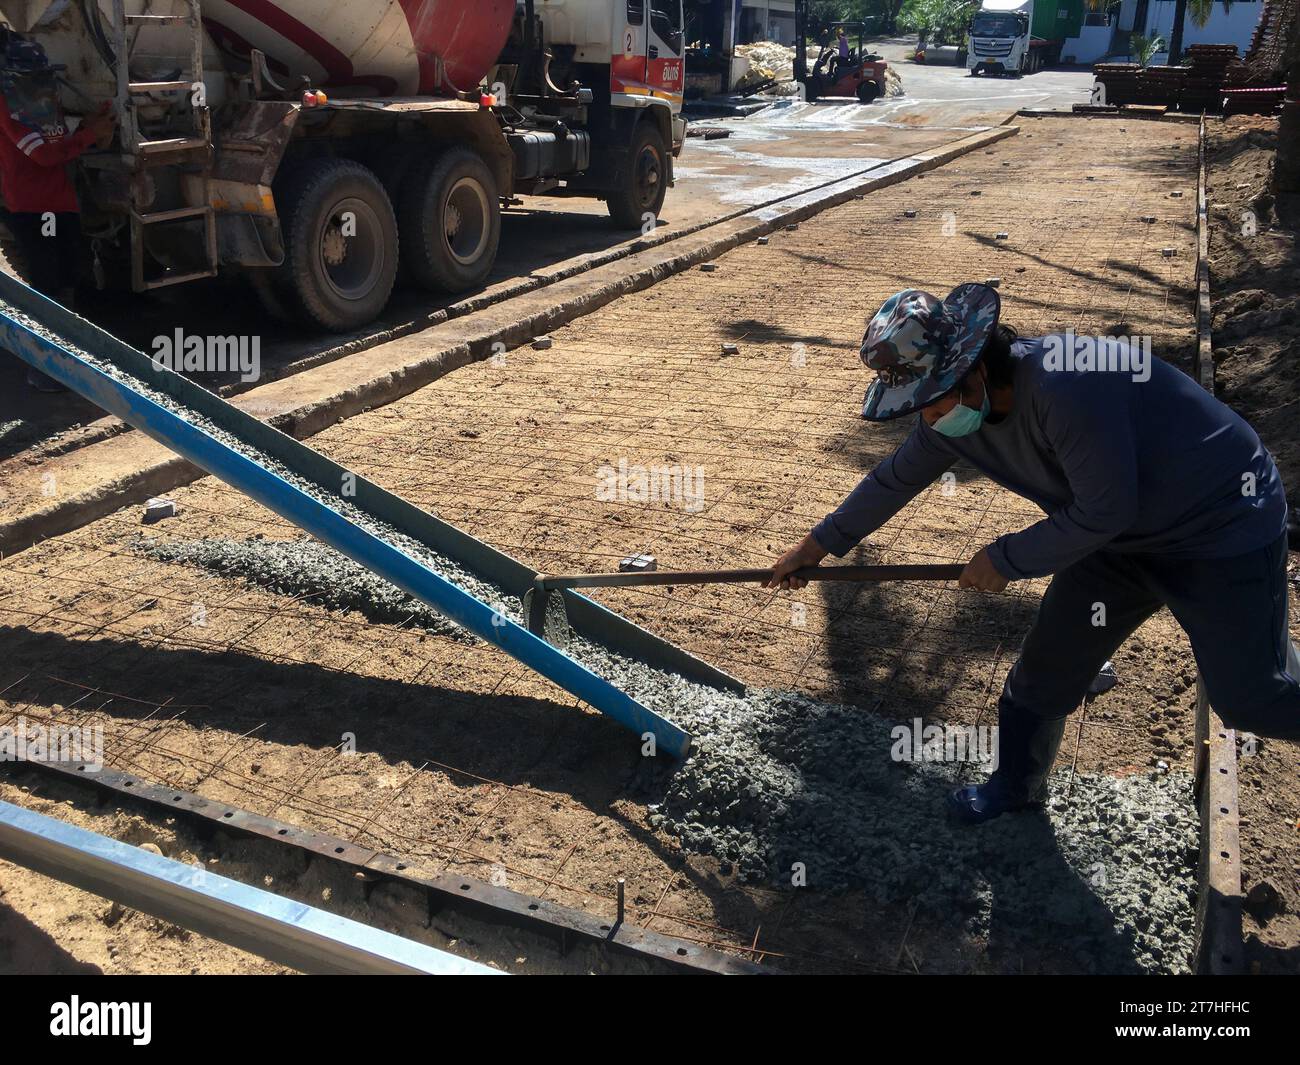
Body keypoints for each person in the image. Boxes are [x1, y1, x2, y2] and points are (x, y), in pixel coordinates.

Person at [769, 284, 1300, 823]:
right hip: (1115, 542)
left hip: (1218, 526)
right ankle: (1014, 789)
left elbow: (1104, 509)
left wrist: (1005, 558)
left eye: (935, 399)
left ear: (974, 367)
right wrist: (813, 549)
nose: (927, 419)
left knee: (1250, 698)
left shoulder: (1066, 388)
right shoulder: (949, 420)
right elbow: (891, 481)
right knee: (1046, 670)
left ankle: (1270, 654)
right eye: (917, 407)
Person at [0, 29, 114, 391]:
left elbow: (57, 139)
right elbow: (45, 154)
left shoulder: (40, 101)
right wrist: (90, 135)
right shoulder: (8, 105)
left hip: (57, 205)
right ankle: (45, 368)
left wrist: (92, 124)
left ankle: (65, 358)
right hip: (37, 210)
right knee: (49, 284)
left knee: (67, 278)